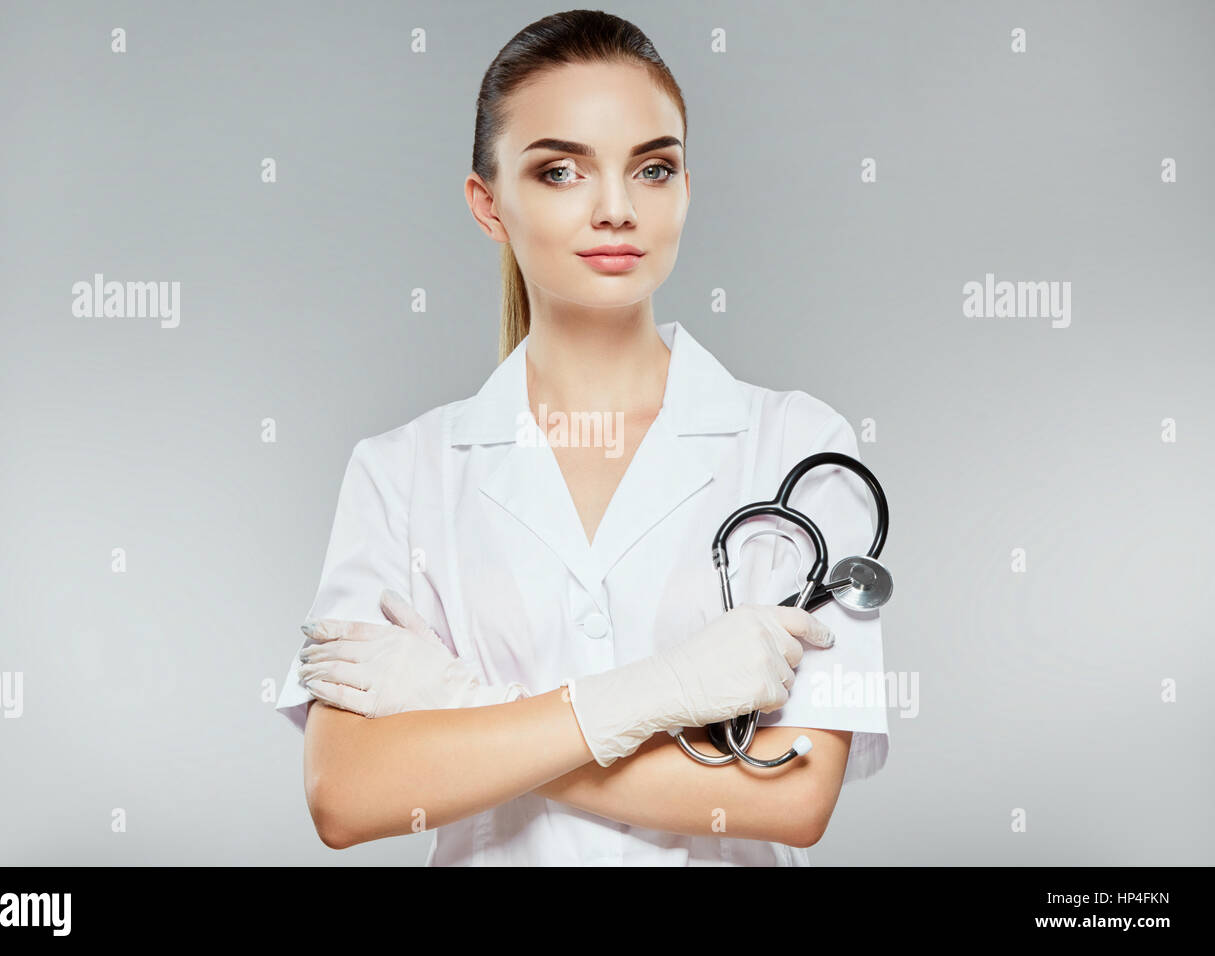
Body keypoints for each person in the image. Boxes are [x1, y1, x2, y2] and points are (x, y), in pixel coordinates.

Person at [275, 9, 889, 866]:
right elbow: (346, 796)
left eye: (653, 168)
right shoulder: (400, 473)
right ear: (488, 205)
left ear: (685, 186)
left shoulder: (795, 445)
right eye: (561, 170)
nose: (614, 209)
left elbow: (794, 799)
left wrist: (463, 707)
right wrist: (660, 695)